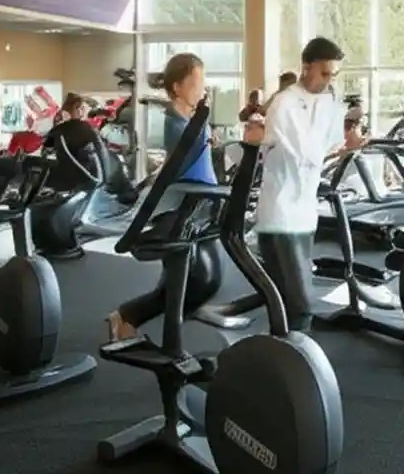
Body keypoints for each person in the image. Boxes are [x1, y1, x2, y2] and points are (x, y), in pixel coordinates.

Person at [246, 37, 367, 331]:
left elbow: (324, 150)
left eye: (334, 75)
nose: (329, 81)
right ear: (306, 67)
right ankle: (293, 364)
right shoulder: (284, 102)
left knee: (289, 300)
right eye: (324, 73)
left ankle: (280, 359)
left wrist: (348, 146)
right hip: (279, 212)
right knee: (299, 304)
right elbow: (304, 153)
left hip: (303, 211)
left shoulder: (328, 102)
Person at [105, 53, 219, 342]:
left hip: (201, 206)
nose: (202, 89)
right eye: (196, 82)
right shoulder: (175, 122)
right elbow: (178, 162)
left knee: (203, 278)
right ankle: (129, 317)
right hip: (183, 208)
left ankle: (131, 317)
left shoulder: (193, 120)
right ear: (178, 87)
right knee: (192, 279)